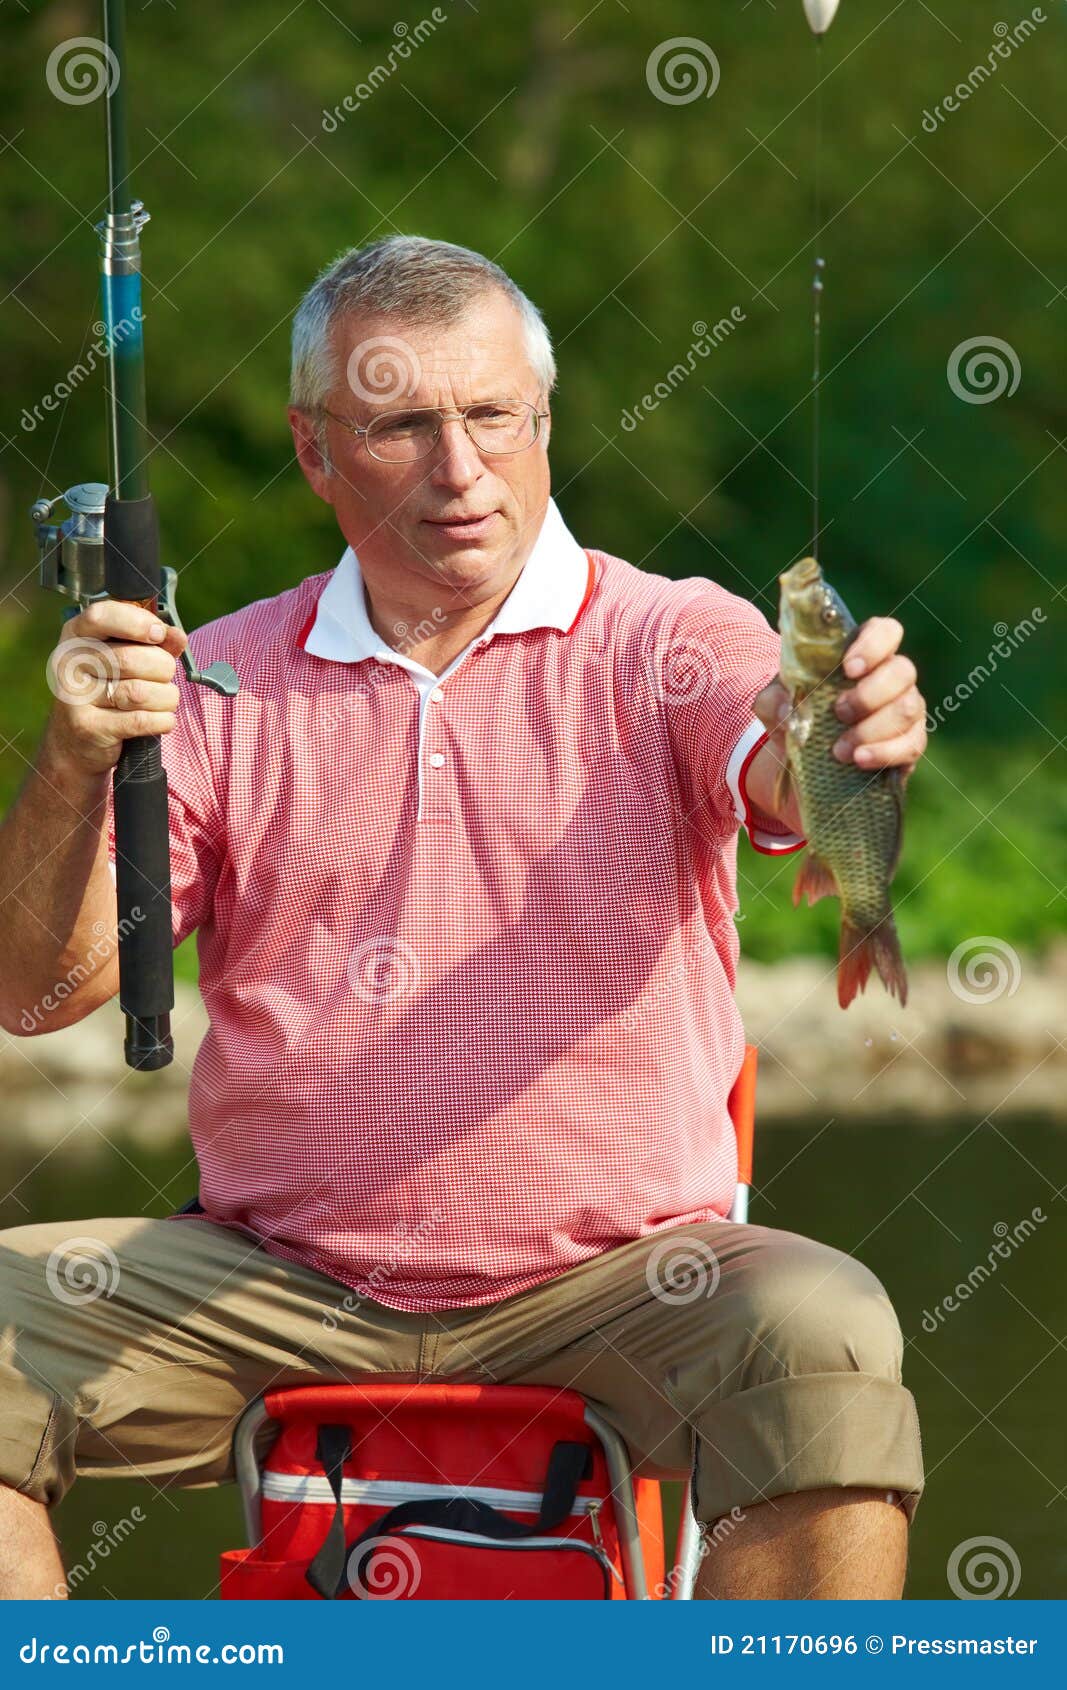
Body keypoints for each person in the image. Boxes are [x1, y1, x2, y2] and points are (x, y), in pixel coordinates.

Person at [0, 236, 927, 1600]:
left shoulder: (669, 633)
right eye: (402, 424)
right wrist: (73, 761)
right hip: (273, 1276)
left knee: (825, 1329)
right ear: (317, 452)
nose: (460, 468)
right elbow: (36, 991)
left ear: (543, 423)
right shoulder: (221, 678)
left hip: (623, 1283)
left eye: (493, 415)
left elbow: (774, 748)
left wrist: (839, 730)